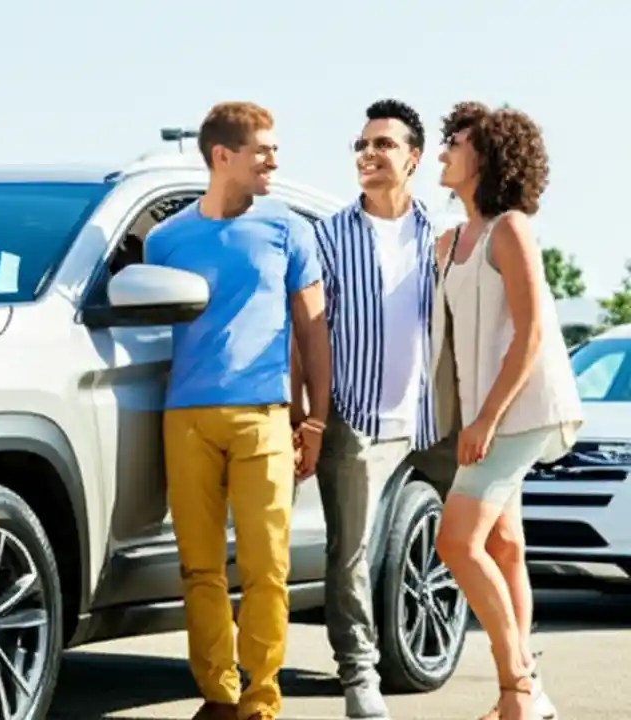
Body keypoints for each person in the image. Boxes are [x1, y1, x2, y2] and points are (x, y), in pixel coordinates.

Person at [144, 101, 331, 720]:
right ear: (223, 156)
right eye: (263, 150)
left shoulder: (287, 229)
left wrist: (315, 420)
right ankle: (218, 696)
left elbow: (312, 329)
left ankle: (260, 699)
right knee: (199, 568)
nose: (274, 161)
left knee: (266, 568)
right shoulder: (167, 240)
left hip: (264, 417)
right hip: (186, 419)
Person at [430, 101, 582, 720]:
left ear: (487, 157)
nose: (442, 152)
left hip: (520, 409)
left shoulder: (510, 229)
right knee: (504, 545)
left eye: (455, 142)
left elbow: (531, 338)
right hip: (489, 409)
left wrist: (485, 419)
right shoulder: (451, 240)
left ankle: (519, 686)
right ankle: (522, 696)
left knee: (456, 543)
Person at [306, 98, 447, 719]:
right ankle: (359, 676)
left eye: (383, 145)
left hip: (428, 418)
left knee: (475, 537)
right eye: (361, 146)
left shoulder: (441, 236)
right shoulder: (329, 236)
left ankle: (516, 668)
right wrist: (311, 415)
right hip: (353, 419)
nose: (368, 154)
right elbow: (305, 332)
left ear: (413, 157)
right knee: (351, 555)